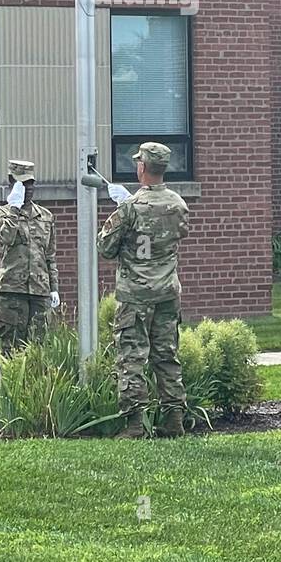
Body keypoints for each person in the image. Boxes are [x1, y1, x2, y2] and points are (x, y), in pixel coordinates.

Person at [97, 142, 189, 440]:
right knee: (166, 354)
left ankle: (135, 423)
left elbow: (105, 248)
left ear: (142, 167)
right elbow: (179, 234)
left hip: (136, 295)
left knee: (132, 358)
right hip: (167, 292)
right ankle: (173, 417)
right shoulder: (178, 203)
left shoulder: (129, 208)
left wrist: (124, 209)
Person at [0, 159, 59, 352]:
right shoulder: (1, 213)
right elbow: (5, 237)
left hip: (39, 291)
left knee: (39, 349)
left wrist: (54, 288)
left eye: (31, 183)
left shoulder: (45, 216)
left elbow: (50, 256)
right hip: (11, 290)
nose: (28, 188)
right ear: (12, 182)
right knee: (12, 349)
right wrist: (14, 208)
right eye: (23, 183)